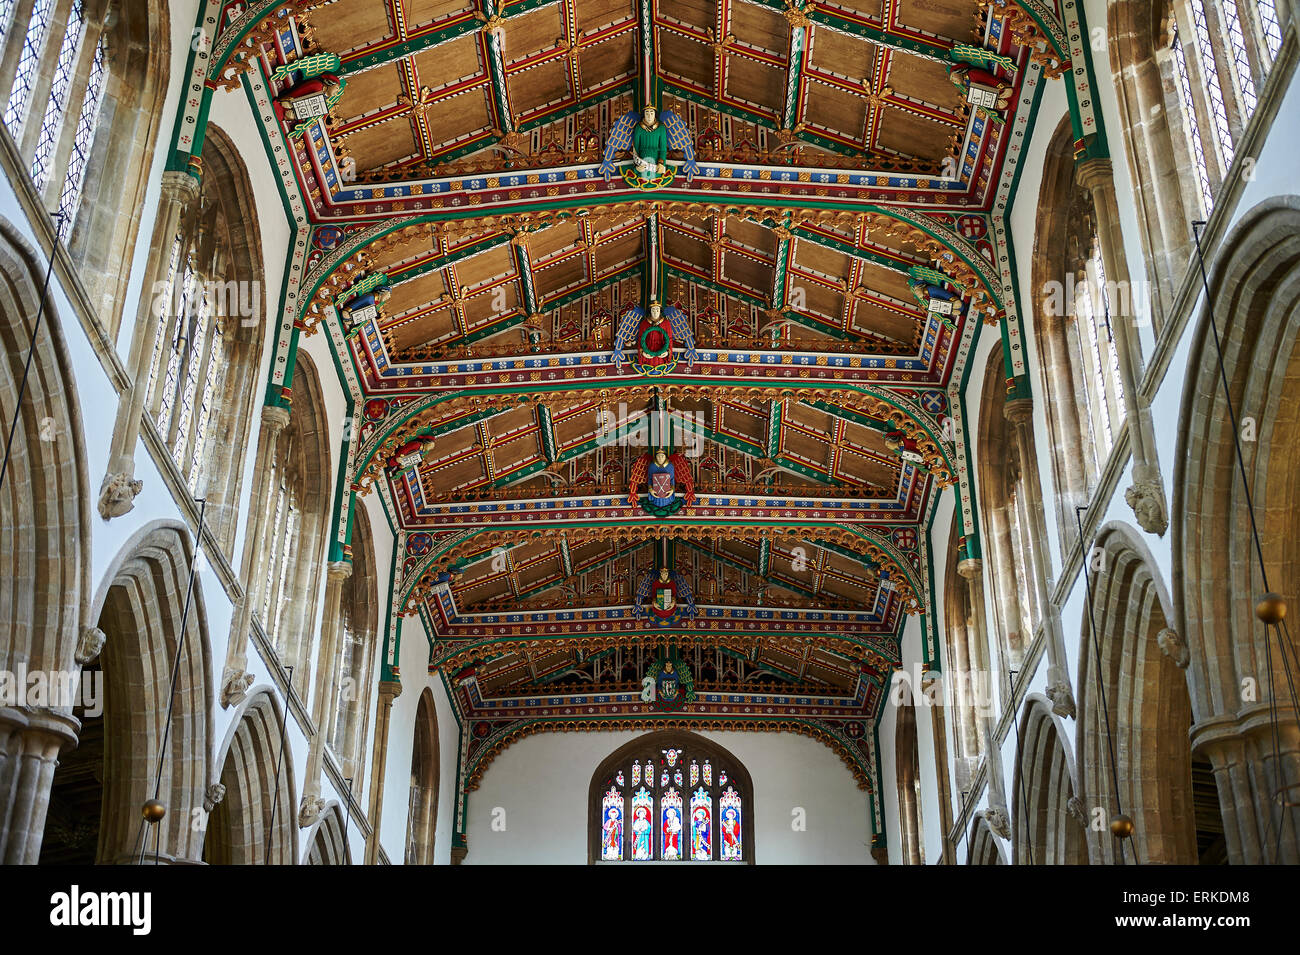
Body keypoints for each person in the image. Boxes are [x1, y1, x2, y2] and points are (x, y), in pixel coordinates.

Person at [630, 105, 668, 182]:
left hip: (656, 159)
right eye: (647, 113)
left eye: (651, 113)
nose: (649, 115)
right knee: (642, 178)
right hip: (642, 159)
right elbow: (636, 148)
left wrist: (661, 163)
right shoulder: (639, 127)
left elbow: (663, 149)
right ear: (643, 114)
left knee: (656, 179)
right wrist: (637, 166)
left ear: (655, 115)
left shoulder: (661, 128)